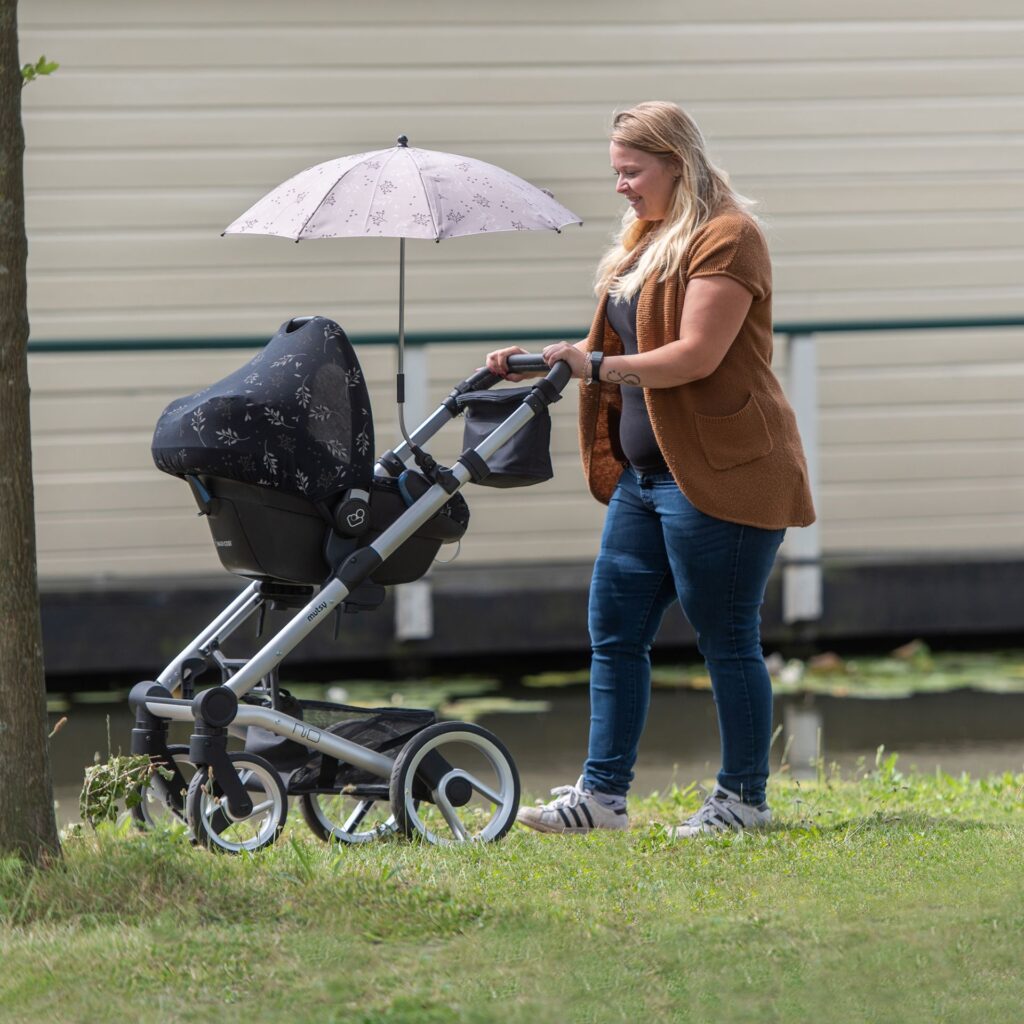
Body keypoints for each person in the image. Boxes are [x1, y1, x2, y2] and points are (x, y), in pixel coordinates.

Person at [486, 101, 815, 838]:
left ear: (676, 162)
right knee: (614, 630)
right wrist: (542, 360)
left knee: (726, 637)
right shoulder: (646, 239)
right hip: (644, 480)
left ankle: (744, 801)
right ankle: (601, 799)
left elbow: (694, 354)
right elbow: (608, 342)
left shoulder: (729, 237)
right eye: (617, 173)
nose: (621, 188)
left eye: (631, 172)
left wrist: (594, 363)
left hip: (722, 475)